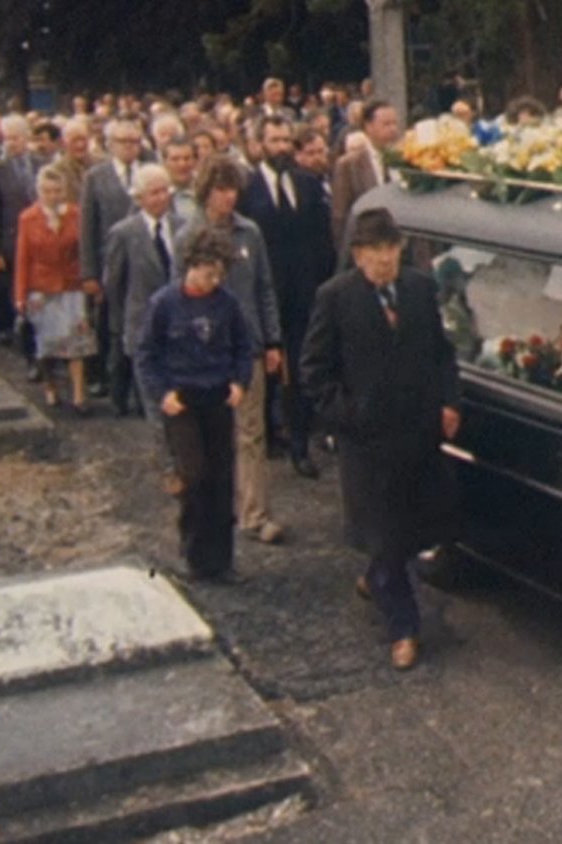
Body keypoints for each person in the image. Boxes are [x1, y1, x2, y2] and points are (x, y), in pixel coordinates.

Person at [301, 208, 461, 670]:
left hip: (417, 433)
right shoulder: (335, 298)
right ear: (358, 255)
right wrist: (348, 416)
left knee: (411, 530)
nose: (385, 260)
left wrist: (449, 402)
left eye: (391, 249)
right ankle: (404, 629)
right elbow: (314, 372)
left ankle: (376, 576)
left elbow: (441, 353)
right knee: (386, 532)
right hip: (368, 443)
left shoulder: (418, 289)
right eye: (374, 251)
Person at [175, 154, 287, 545]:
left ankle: (255, 514)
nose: (228, 198)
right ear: (206, 192)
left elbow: (265, 288)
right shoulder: (187, 236)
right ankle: (216, 510)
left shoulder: (250, 234)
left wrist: (272, 340)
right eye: (221, 190)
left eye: (233, 190)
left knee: (251, 433)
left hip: (248, 347)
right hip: (206, 353)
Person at [136, 227, 254, 584]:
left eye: (219, 275)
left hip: (217, 395)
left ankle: (222, 559)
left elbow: (243, 348)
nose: (213, 281)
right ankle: (194, 554)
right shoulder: (164, 304)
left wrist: (239, 381)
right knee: (195, 474)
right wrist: (162, 393)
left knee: (221, 477)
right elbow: (146, 355)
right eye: (208, 273)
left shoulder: (227, 304)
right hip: (183, 400)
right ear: (192, 265)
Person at [239, 115, 336, 480]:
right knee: (267, 367)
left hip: (305, 295)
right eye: (274, 140)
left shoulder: (308, 185)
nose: (280, 147)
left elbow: (322, 242)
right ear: (259, 144)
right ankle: (265, 434)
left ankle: (299, 444)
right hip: (266, 295)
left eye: (285, 140)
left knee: (299, 367)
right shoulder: (248, 192)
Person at [103, 163, 186, 429]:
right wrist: (124, 328)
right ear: (139, 198)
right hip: (143, 327)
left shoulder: (183, 227)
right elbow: (114, 286)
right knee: (156, 405)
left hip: (181, 328)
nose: (161, 198)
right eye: (154, 193)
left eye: (165, 191)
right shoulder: (124, 233)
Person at [14, 165, 95, 411]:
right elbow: (23, 258)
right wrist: (20, 294)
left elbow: (85, 249)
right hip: (41, 288)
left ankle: (79, 395)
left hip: (71, 284)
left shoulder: (76, 214)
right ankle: (50, 388)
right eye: (47, 191)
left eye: (57, 190)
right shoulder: (28, 218)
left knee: (76, 343)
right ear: (39, 192)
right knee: (46, 344)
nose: (52, 196)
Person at [79, 115, 146, 408]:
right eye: (123, 142)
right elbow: (87, 228)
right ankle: (116, 389)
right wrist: (90, 272)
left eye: (135, 141)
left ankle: (142, 390)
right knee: (113, 326)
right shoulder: (96, 177)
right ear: (110, 144)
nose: (130, 147)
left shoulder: (150, 169)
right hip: (111, 263)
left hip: (145, 261)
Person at [0, 115, 36, 359]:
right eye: (7, 139)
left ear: (26, 138)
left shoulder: (42, 164)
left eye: (16, 138)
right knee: (20, 298)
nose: (11, 143)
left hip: (42, 242)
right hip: (12, 242)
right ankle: (29, 354)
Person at [330, 99, 399, 244]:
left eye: (395, 123)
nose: (393, 129)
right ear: (368, 126)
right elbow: (340, 217)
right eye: (386, 124)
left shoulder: (403, 159)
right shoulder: (349, 165)